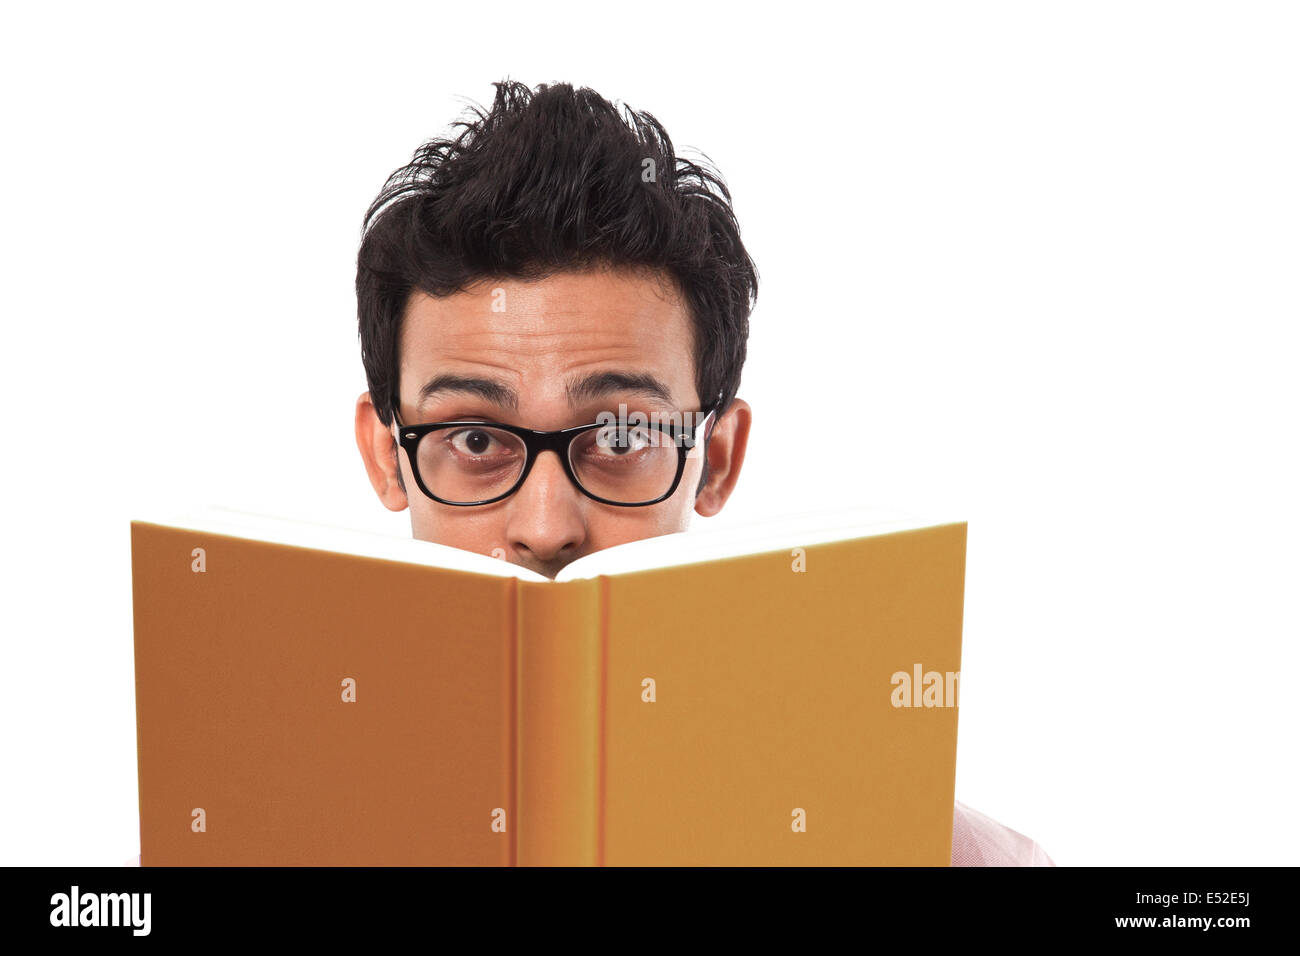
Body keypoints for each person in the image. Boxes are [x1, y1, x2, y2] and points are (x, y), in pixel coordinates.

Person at [350, 79, 1055, 867]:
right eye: (476, 442)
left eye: (618, 438)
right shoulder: (255, 818)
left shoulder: (937, 856)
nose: (546, 529)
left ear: (715, 458)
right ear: (388, 457)